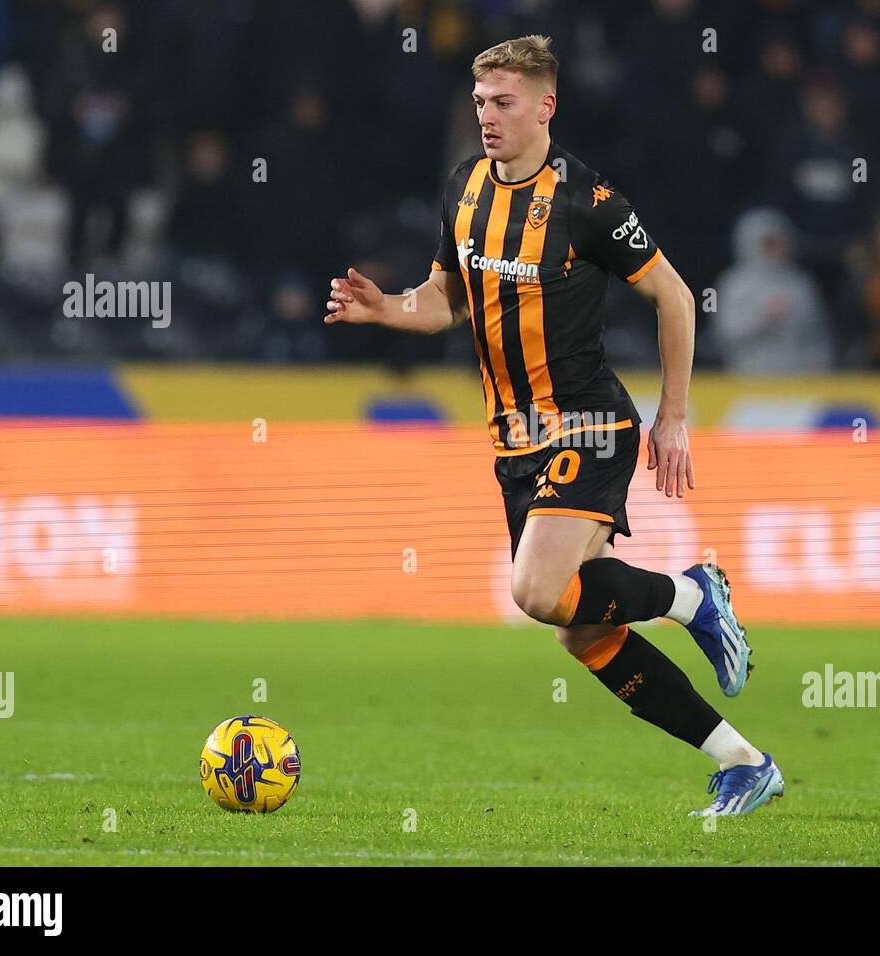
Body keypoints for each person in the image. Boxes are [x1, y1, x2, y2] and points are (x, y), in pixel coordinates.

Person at [323, 35, 782, 817]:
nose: (487, 119)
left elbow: (673, 297)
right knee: (584, 631)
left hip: (588, 423)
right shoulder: (465, 186)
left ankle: (691, 597)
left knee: (536, 591)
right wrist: (385, 308)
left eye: (503, 103)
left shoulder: (588, 203)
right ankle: (743, 762)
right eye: (479, 104)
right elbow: (445, 298)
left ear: (545, 105)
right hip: (513, 443)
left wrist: (674, 416)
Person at [714, 208, 833, 374]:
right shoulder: (734, 284)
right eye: (769, 243)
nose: (777, 249)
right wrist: (762, 319)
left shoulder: (801, 285)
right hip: (746, 380)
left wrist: (816, 368)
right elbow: (723, 334)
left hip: (795, 382)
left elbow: (818, 336)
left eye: (781, 241)